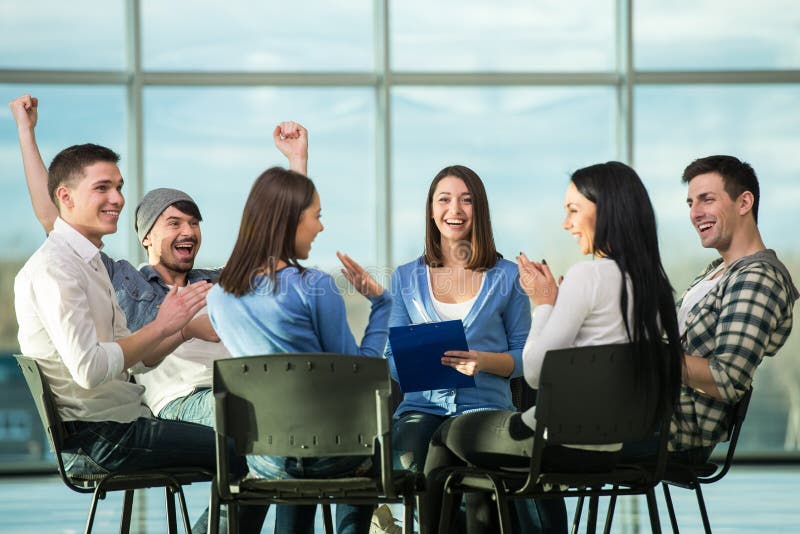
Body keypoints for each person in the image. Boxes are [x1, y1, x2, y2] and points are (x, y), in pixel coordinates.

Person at [9, 93, 308, 427]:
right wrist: (26, 132)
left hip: (241, 387)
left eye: (194, 223)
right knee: (270, 411)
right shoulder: (120, 279)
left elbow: (277, 250)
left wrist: (297, 162)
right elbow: (56, 218)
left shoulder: (215, 281)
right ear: (146, 236)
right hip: (183, 399)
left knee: (303, 398)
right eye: (174, 223)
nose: (189, 231)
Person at [12, 141, 264, 533]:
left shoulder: (88, 263)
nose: (117, 198)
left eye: (118, 186)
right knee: (245, 455)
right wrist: (165, 325)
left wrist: (181, 329)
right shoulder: (58, 269)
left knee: (247, 447)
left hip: (124, 420)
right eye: (102, 188)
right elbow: (90, 369)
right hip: (103, 436)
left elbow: (140, 360)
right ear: (65, 196)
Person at [420, 162, 684, 534]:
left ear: (606, 212)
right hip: (612, 446)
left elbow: (535, 371)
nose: (566, 223)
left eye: (574, 210)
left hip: (552, 441)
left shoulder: (587, 276)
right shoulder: (656, 288)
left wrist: (544, 303)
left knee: (446, 435)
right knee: (475, 466)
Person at [206, 166, 392, 534]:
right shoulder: (313, 286)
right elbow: (359, 377)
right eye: (317, 216)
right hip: (332, 457)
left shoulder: (219, 297)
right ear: (290, 219)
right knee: (381, 421)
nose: (321, 227)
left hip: (266, 460)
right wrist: (383, 305)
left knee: (301, 436)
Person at [385, 165, 543, 531]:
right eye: (444, 199)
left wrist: (483, 361)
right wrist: (418, 359)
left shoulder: (507, 277)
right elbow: (391, 359)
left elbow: (525, 357)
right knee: (411, 461)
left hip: (486, 410)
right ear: (431, 209)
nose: (454, 209)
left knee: (480, 484)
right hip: (421, 409)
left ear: (479, 210)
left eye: (466, 200)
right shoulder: (405, 278)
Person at [623, 155, 798, 463]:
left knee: (542, 429)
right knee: (536, 414)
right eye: (690, 203)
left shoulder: (757, 278)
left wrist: (652, 354)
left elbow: (726, 380)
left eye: (706, 200)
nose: (695, 213)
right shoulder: (717, 272)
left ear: (744, 202)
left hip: (672, 429)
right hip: (647, 411)